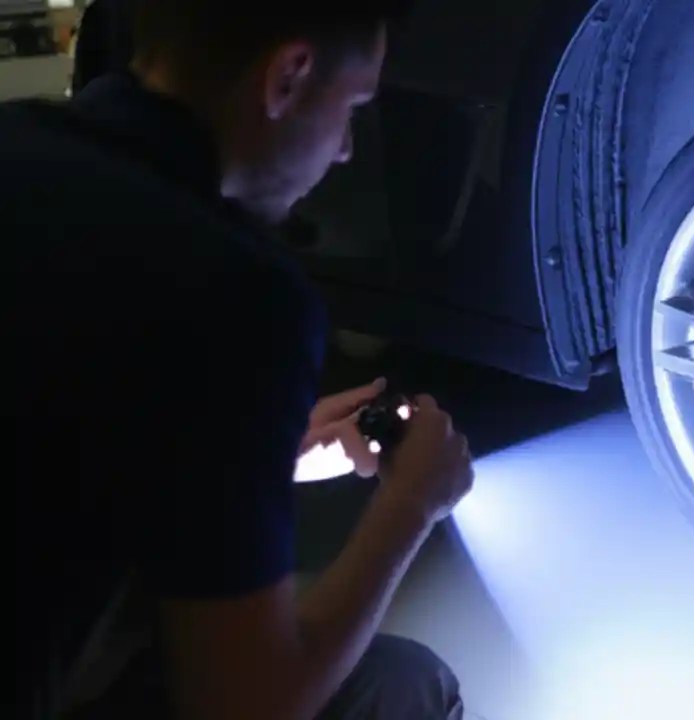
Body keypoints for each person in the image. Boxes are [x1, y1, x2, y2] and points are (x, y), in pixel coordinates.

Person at [4, 1, 475, 718]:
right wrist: (411, 506)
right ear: (288, 77)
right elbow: (247, 706)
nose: (346, 148)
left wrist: (257, 449)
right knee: (406, 688)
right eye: (352, 107)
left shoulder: (22, 148)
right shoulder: (234, 288)